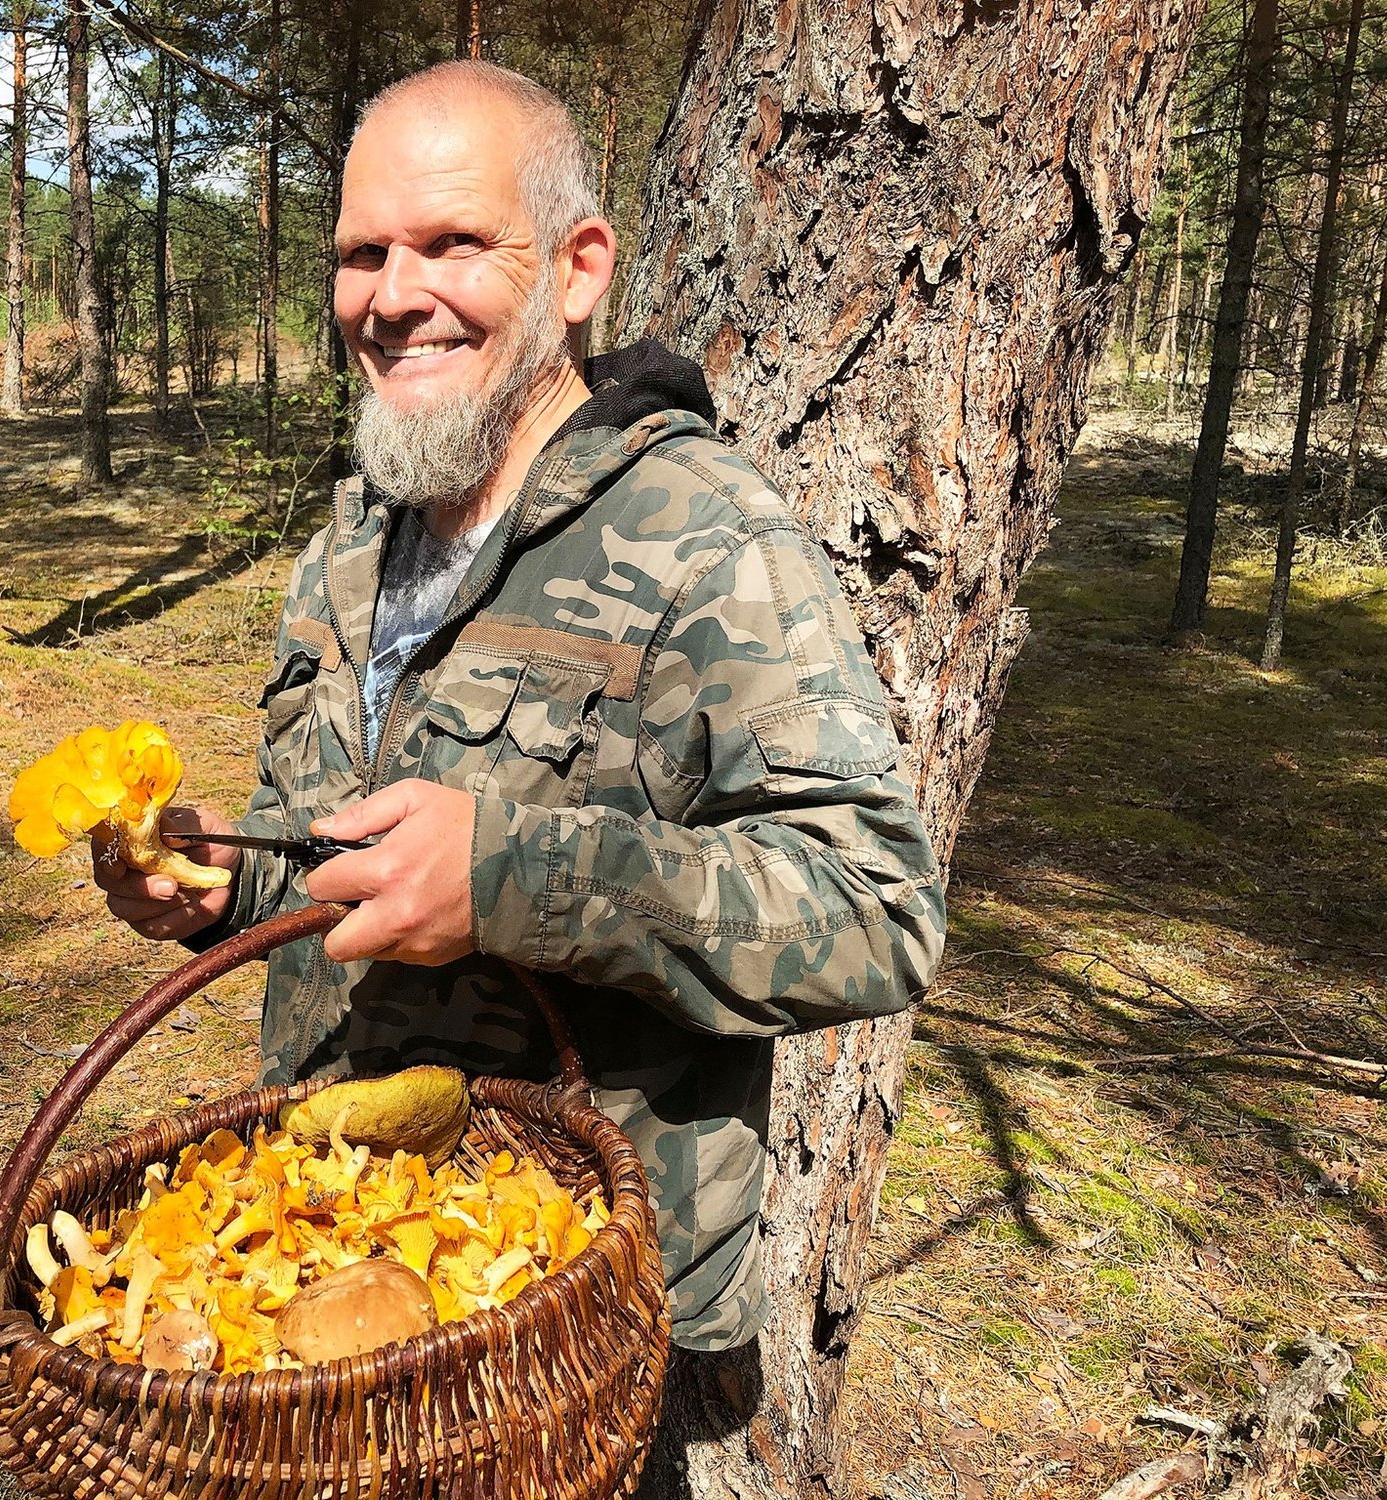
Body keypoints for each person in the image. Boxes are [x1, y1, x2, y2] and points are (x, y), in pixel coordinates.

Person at [91, 57, 946, 1400]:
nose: (392, 297)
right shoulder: (353, 546)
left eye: (452, 244)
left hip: (569, 1314)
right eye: (362, 254)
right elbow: (320, 860)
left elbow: (876, 908)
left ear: (579, 268)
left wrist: (510, 880)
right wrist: (216, 877)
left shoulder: (709, 538)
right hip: (331, 1266)